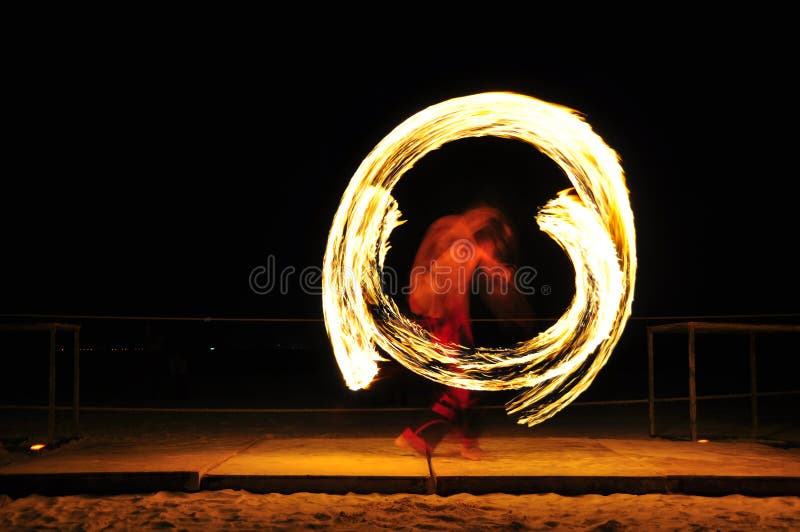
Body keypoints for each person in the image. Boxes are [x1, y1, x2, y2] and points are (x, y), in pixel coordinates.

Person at [394, 204, 532, 460]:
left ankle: (430, 439)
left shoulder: (463, 243)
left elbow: (487, 271)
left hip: (437, 316)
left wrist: (503, 282)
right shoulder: (461, 248)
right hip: (439, 317)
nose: (496, 251)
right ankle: (442, 440)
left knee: (463, 386)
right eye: (496, 244)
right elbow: (449, 292)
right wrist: (461, 328)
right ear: (487, 237)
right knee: (465, 387)